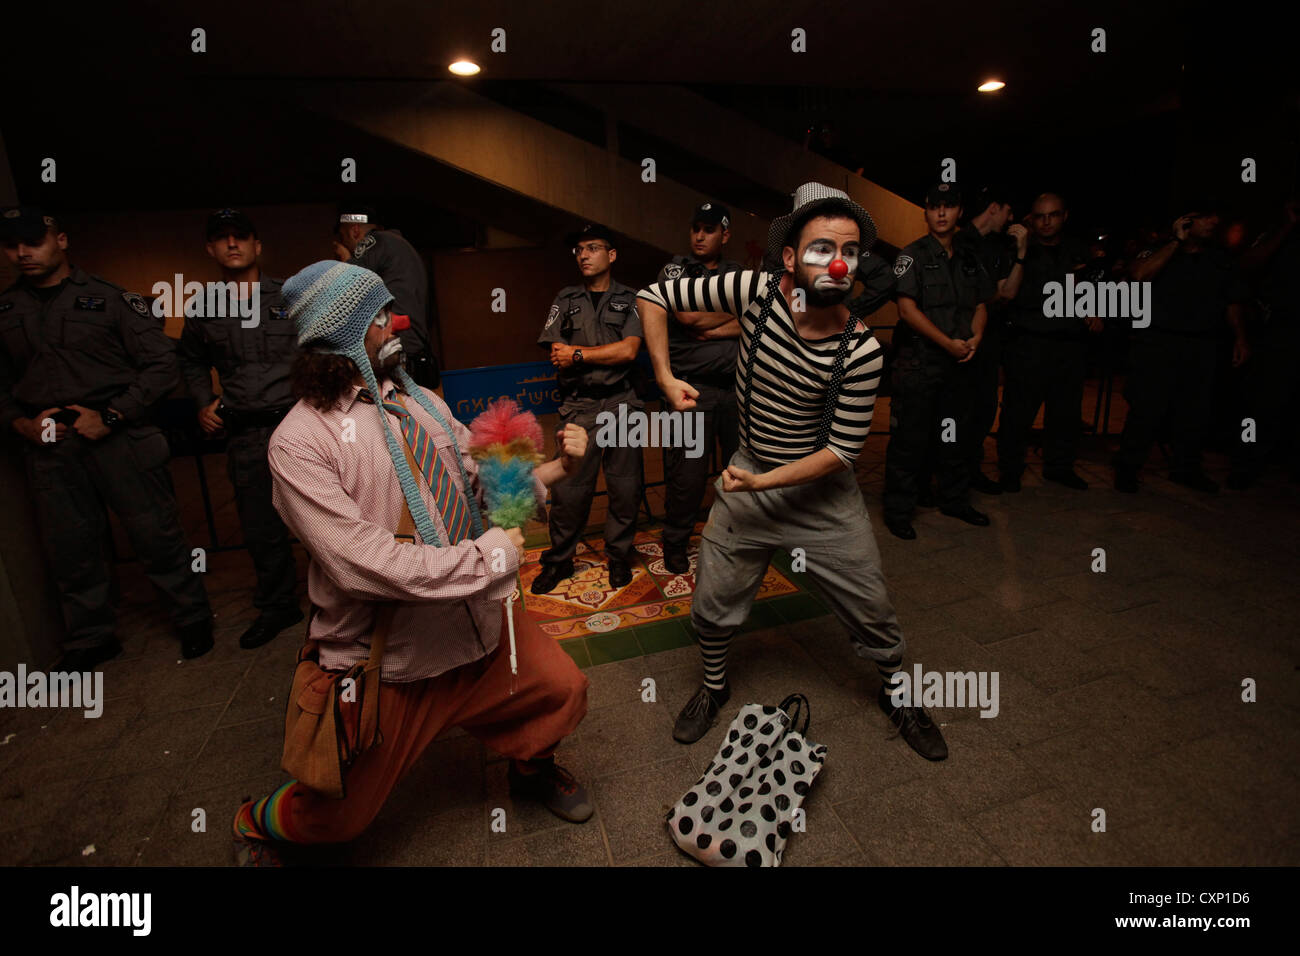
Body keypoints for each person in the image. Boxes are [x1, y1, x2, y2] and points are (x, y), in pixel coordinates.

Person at [231, 260, 593, 866]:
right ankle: (255, 821)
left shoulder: (419, 400)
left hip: (475, 626)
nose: (395, 323)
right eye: (378, 317)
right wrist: (493, 555)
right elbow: (361, 566)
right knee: (340, 819)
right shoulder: (299, 442)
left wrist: (556, 469)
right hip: (395, 657)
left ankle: (530, 771)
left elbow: (479, 481)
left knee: (561, 689)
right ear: (341, 337)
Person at [638, 183, 948, 762]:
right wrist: (662, 375)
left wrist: (760, 484)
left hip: (820, 496)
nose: (838, 262)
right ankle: (713, 688)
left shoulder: (860, 352)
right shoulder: (753, 292)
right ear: (788, 258)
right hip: (748, 478)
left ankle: (897, 696)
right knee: (711, 603)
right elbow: (654, 295)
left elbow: (839, 453)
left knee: (874, 611)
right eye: (820, 248)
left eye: (850, 251)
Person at [0, 206, 214, 665]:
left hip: (120, 439)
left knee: (156, 534)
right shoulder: (6, 311)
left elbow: (162, 364)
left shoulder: (110, 299)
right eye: (11, 244)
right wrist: (22, 424)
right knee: (70, 546)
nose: (22, 252)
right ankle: (91, 637)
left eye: (33, 241)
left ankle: (192, 617)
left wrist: (114, 415)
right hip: (50, 446)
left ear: (61, 240)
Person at [177, 209, 303, 648]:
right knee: (260, 525)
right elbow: (190, 360)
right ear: (210, 249)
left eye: (241, 236)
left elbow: (322, 347)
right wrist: (201, 401)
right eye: (222, 238)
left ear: (257, 245)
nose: (232, 244)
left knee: (327, 515)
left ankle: (350, 595)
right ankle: (278, 606)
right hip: (246, 433)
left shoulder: (291, 296)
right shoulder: (203, 308)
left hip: (300, 427)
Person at [532, 224, 645, 594]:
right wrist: (583, 357)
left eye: (592, 247)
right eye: (578, 249)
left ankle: (619, 557)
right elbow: (555, 352)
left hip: (622, 404)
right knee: (569, 492)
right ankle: (559, 561)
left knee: (625, 489)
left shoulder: (632, 299)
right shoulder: (565, 299)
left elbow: (629, 350)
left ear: (611, 255)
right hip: (578, 407)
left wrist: (579, 353)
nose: (583, 254)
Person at [1113, 202, 1250, 493]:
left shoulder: (1221, 259)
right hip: (1158, 342)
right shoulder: (1159, 250)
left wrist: (1240, 337)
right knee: (1147, 409)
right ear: (1186, 220)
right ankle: (1127, 468)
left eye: (1216, 215)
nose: (1213, 221)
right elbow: (1139, 275)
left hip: (1202, 344)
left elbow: (1232, 300)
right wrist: (1176, 240)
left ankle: (1186, 468)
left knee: (1195, 412)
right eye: (1205, 216)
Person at [882, 183, 991, 540]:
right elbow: (906, 309)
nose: (941, 213)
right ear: (925, 212)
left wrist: (975, 338)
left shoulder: (970, 259)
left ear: (960, 211)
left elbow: (979, 304)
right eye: (934, 206)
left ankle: (954, 500)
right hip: (920, 363)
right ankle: (899, 510)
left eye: (949, 206)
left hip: (960, 365)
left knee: (955, 438)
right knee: (910, 441)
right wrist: (948, 343)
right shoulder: (911, 255)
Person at [655, 202, 743, 574]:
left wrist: (717, 327)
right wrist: (733, 313)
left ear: (725, 234)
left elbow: (758, 316)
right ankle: (675, 544)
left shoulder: (738, 272)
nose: (700, 236)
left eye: (709, 230)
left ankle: (735, 540)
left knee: (737, 472)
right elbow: (686, 314)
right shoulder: (675, 268)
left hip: (735, 391)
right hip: (689, 392)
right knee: (686, 477)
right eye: (696, 229)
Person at [996, 192, 1101, 491]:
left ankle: (1059, 467)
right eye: (1040, 215)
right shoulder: (1018, 247)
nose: (1046, 221)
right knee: (1018, 412)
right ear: (1032, 217)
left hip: (1069, 344)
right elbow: (1005, 295)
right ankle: (1010, 470)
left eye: (1052, 215)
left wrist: (1093, 309)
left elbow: (1087, 287)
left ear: (1064, 216)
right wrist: (1021, 250)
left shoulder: (1077, 249)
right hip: (1028, 342)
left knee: (1066, 411)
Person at [954, 184, 1029, 494]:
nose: (1011, 218)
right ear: (995, 208)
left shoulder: (1001, 246)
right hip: (959, 337)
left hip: (990, 339)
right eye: (1009, 210)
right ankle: (947, 474)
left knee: (984, 408)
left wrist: (1022, 253)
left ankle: (971, 471)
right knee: (956, 410)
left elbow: (1007, 292)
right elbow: (972, 293)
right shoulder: (959, 241)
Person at [1229, 198, 1300, 488]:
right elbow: (1246, 264)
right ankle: (1246, 465)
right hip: (1281, 331)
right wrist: (1289, 226)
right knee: (1262, 405)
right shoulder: (1277, 233)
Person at [335, 203, 439, 388]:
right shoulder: (398, 245)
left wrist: (345, 260)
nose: (344, 243)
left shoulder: (373, 242)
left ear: (355, 230)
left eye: (343, 236)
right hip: (414, 350)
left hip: (396, 351)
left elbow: (347, 289)